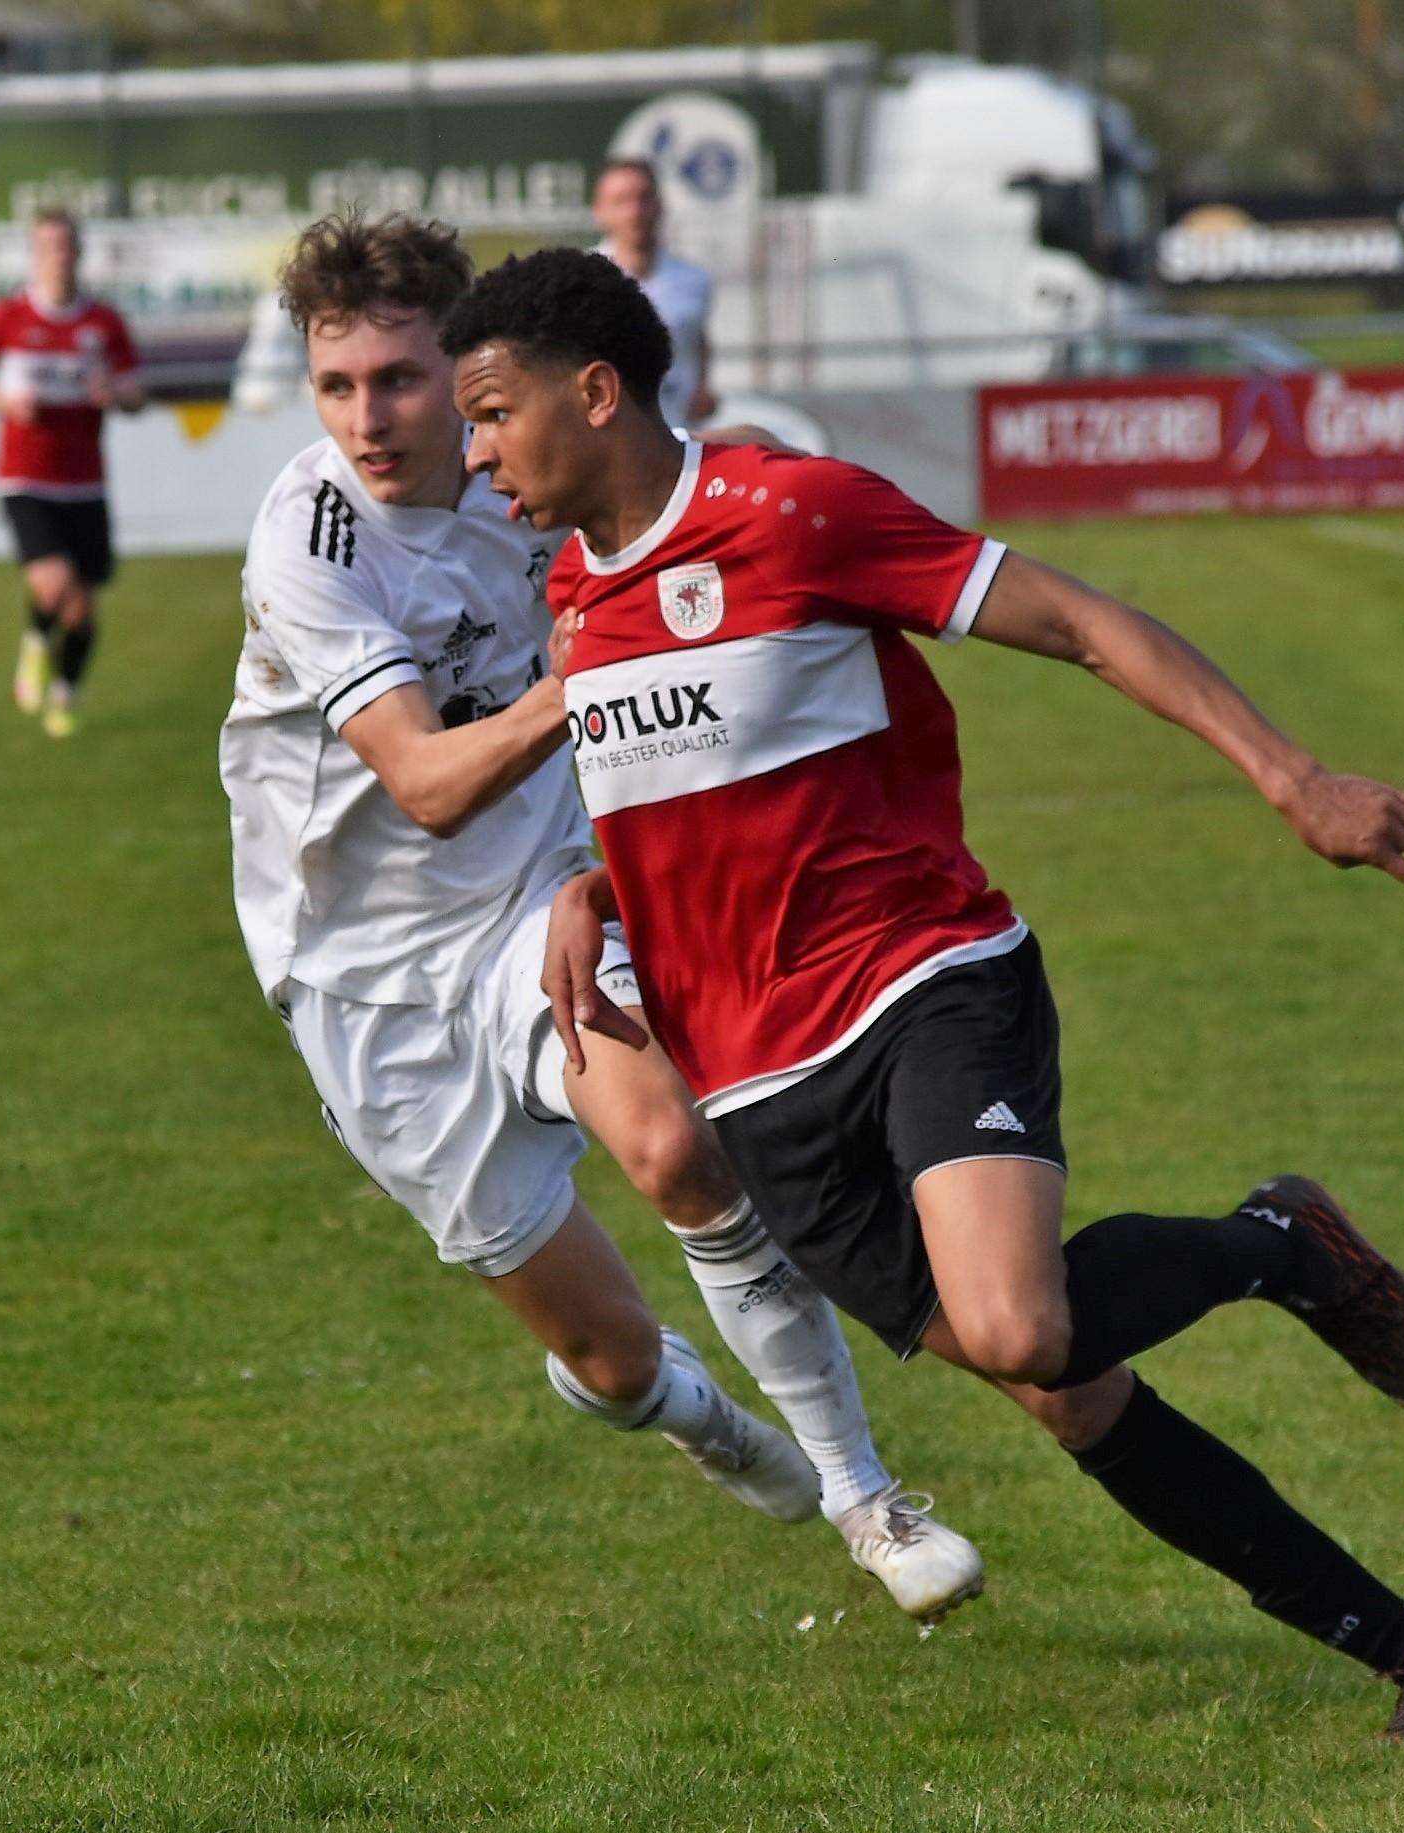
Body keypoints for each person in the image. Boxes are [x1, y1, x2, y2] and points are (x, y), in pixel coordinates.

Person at [438, 245, 1404, 1741]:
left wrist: (1291, 776)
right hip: (755, 1089)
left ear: (596, 390)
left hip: (919, 981)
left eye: (491, 413)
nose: (475, 453)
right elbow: (689, 792)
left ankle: (1276, 1241)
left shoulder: (793, 511)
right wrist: (587, 890)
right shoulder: (571, 591)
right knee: (1069, 1392)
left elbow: (1076, 621)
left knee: (1014, 1326)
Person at [221, 212, 986, 1620]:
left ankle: (865, 1500)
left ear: (464, 366)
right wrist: (582, 682)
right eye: (335, 386)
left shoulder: (527, 472)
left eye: (399, 380)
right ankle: (694, 1414)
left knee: (677, 1146)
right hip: (357, 980)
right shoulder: (310, 537)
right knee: (615, 1361)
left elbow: (674, 508)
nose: (368, 419)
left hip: (530, 899)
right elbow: (425, 782)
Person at [0, 210, 145, 739]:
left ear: (79, 252)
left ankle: (64, 693)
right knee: (54, 583)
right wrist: (5, 402)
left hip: (85, 482)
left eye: (65, 245)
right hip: (26, 478)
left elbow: (138, 392)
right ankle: (37, 644)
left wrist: (116, 394)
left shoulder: (103, 324)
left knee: (82, 611)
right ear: (35, 254)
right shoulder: (8, 317)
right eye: (48, 245)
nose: (58, 255)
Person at [591, 159, 717, 429]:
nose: (634, 211)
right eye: (621, 201)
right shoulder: (582, 278)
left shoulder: (695, 279)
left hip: (679, 431)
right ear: (599, 211)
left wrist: (703, 387)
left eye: (643, 198)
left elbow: (698, 340)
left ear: (660, 205)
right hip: (610, 434)